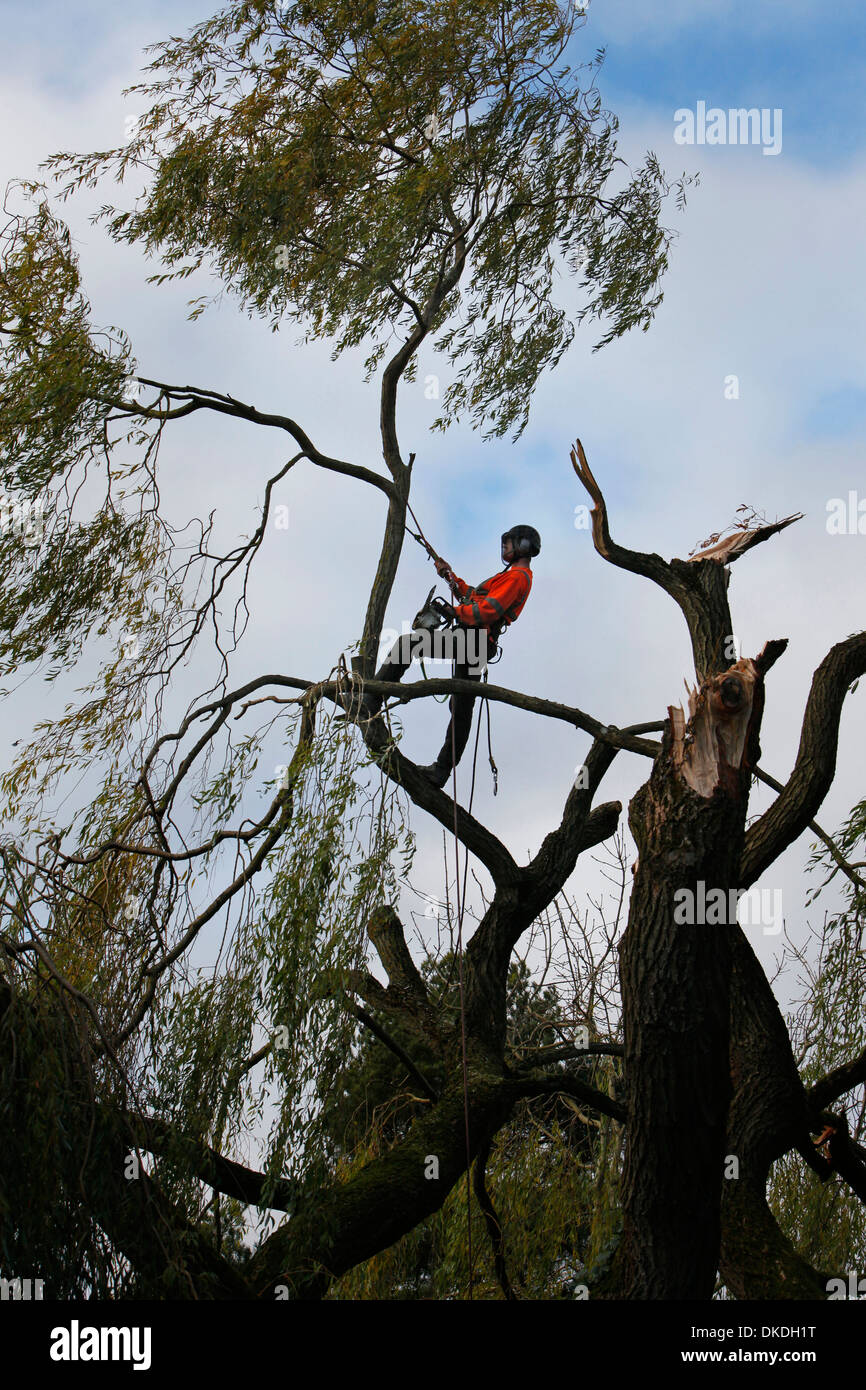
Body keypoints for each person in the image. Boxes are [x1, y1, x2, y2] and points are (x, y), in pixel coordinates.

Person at [363, 525, 540, 787]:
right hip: (475, 643)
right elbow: (474, 598)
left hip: (474, 641)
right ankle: (440, 772)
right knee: (461, 708)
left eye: (509, 544)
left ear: (523, 545)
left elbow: (487, 611)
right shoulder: (508, 576)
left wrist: (455, 613)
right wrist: (451, 577)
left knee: (408, 645)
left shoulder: (518, 577)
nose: (505, 549)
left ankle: (370, 700)